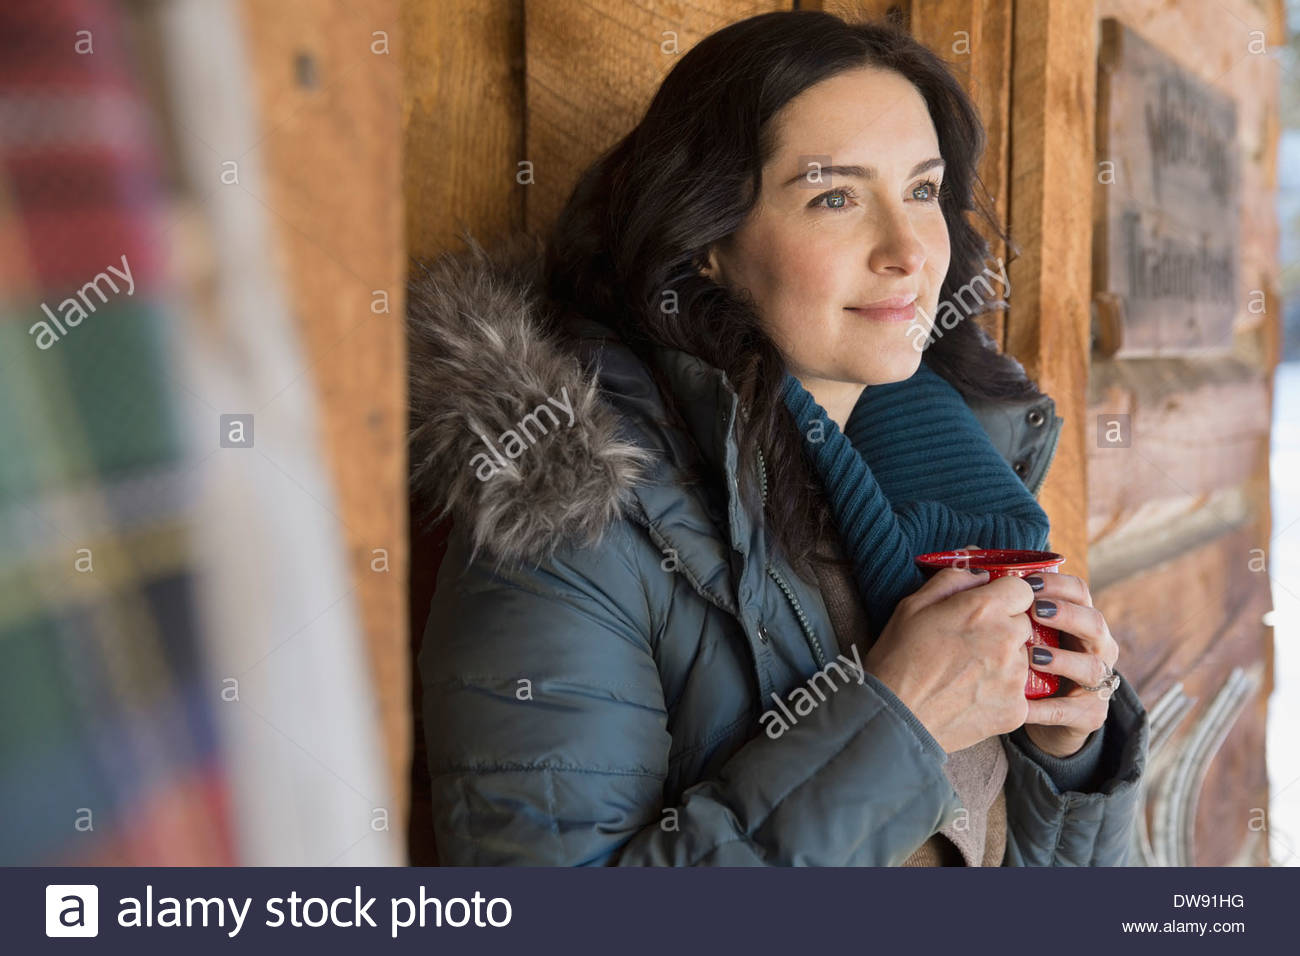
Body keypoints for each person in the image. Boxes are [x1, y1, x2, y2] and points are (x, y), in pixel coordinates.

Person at [409, 10, 1148, 866]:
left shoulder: (962, 477)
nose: (909, 249)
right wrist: (897, 719)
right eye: (834, 196)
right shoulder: (579, 518)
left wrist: (1070, 757)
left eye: (922, 190)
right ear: (708, 241)